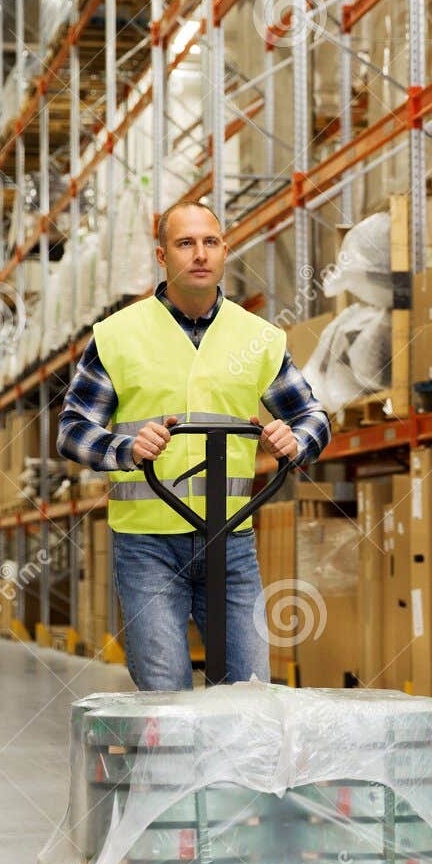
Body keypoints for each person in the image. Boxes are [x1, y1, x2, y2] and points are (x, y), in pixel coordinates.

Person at [58, 201, 330, 690]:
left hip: (231, 541)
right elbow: (73, 430)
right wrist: (125, 448)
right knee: (166, 693)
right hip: (147, 546)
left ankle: (230, 772)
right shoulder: (117, 336)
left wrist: (296, 440)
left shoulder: (260, 338)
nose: (199, 254)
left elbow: (313, 416)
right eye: (185, 243)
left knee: (247, 693)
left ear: (225, 250)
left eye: (210, 242)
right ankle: (172, 769)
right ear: (162, 256)